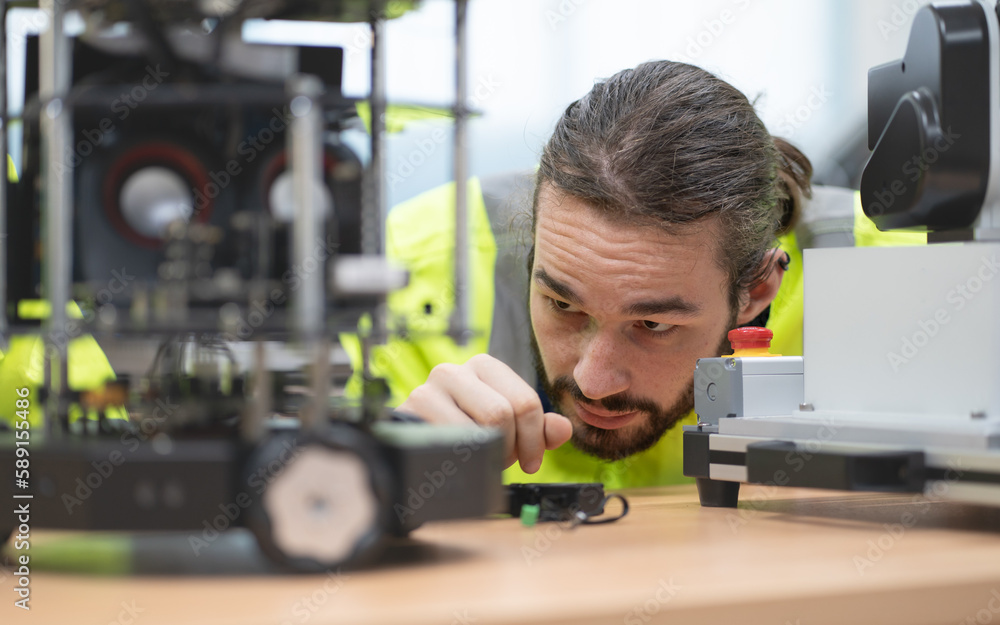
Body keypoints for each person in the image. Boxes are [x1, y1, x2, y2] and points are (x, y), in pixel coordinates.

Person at [375, 60, 920, 488]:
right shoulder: (400, 268)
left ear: (756, 290)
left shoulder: (907, 280)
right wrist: (385, 472)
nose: (592, 381)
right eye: (563, 305)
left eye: (653, 325)